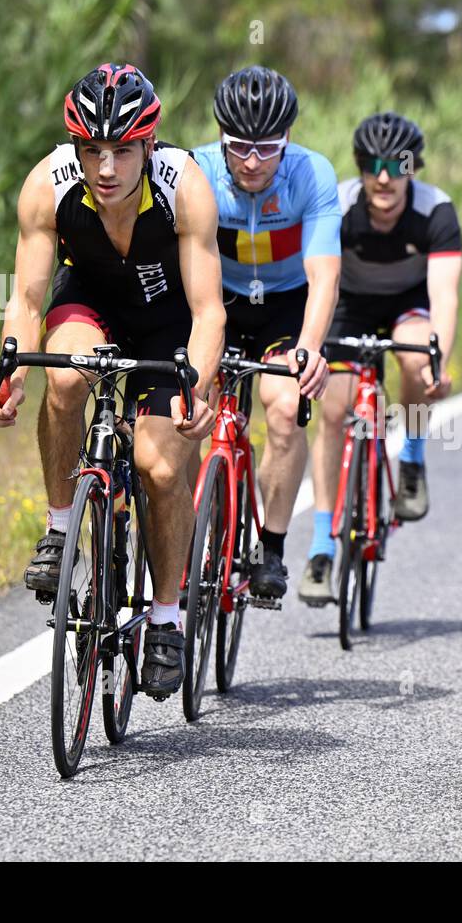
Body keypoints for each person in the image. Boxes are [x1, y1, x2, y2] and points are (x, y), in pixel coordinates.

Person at [0, 63, 224, 699]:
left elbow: (209, 311)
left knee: (162, 469)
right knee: (63, 380)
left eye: (121, 150)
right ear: (76, 148)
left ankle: (167, 619)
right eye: (92, 151)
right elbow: (27, 304)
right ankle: (62, 530)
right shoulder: (47, 186)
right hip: (89, 303)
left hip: (167, 321)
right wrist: (9, 375)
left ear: (148, 144)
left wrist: (196, 389)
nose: (106, 167)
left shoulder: (186, 189)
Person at [299, 112, 462, 604]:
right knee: (333, 410)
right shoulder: (340, 205)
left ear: (414, 168)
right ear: (360, 167)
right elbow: (319, 277)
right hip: (348, 306)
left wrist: (438, 363)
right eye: (373, 165)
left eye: (397, 165)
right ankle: (323, 547)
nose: (385, 177)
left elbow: (445, 296)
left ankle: (411, 458)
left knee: (416, 359)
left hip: (408, 305)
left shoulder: (436, 211)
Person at [191, 65, 338, 599]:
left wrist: (310, 350)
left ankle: (271, 549)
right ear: (220, 138)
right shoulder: (197, 170)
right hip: (217, 304)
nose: (252, 162)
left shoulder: (311, 174)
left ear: (288, 139)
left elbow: (325, 274)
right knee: (186, 406)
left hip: (284, 308)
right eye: (239, 147)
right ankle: (183, 538)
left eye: (268, 148)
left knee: (282, 406)